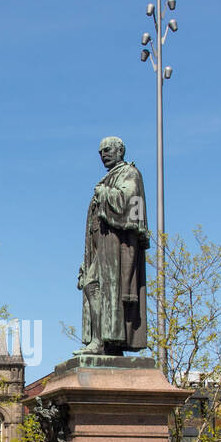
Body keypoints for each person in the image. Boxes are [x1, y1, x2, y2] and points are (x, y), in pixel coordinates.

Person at [76, 136, 150, 356]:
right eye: (100, 152)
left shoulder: (130, 173)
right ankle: (103, 341)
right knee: (91, 284)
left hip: (117, 245)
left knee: (95, 285)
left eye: (107, 150)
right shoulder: (109, 177)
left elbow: (131, 201)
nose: (103, 155)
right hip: (101, 245)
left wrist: (104, 193)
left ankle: (102, 341)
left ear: (120, 151)